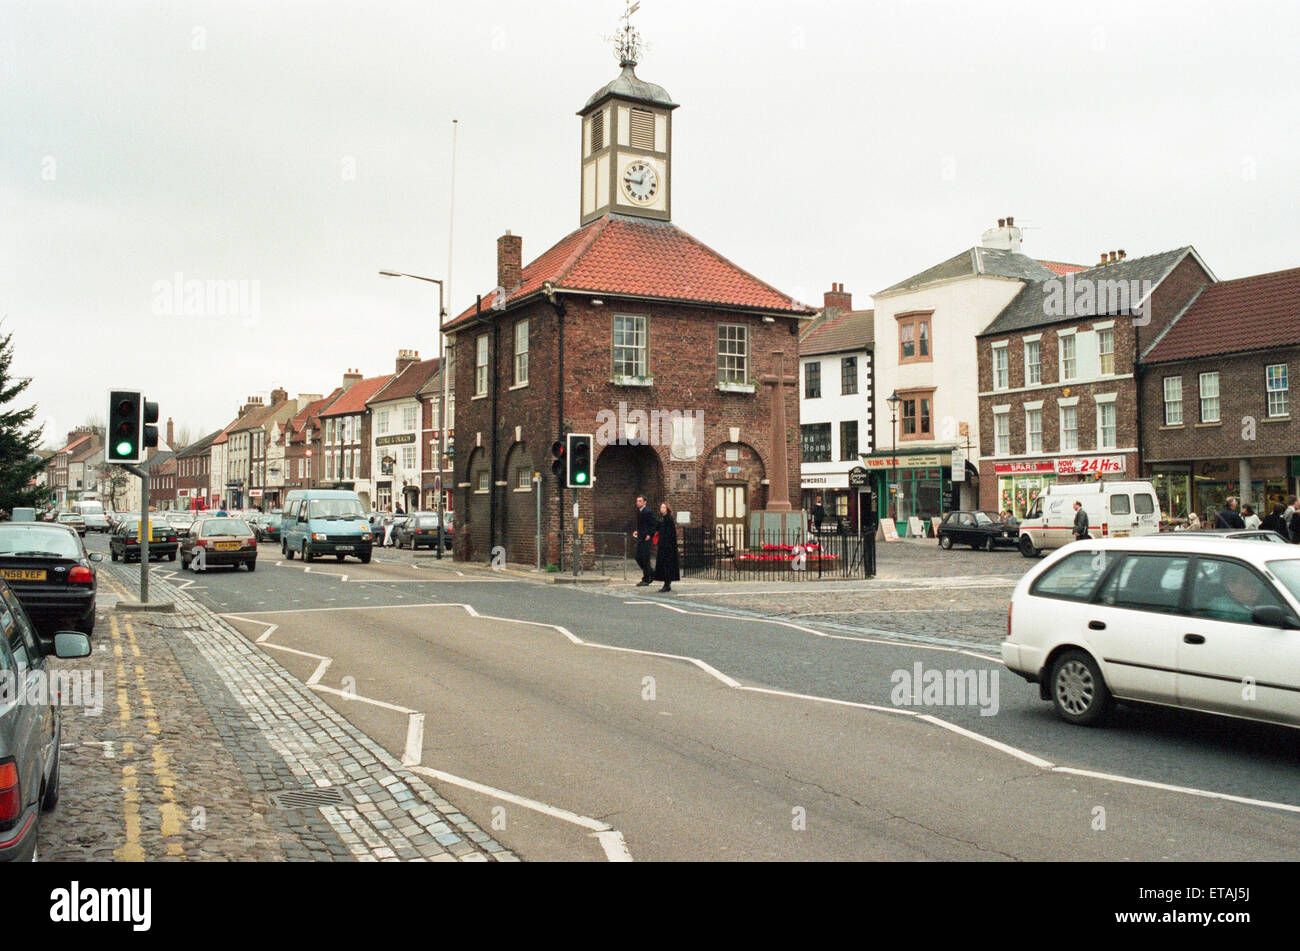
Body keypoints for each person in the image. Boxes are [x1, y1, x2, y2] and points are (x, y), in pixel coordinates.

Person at [652, 503, 680, 593]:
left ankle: (667, 584)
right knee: (664, 566)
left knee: (667, 565)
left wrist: (669, 545)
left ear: (667, 509)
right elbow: (658, 528)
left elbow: (670, 533)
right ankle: (666, 583)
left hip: (668, 547)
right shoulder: (663, 518)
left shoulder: (668, 519)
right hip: (663, 546)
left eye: (664, 507)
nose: (662, 509)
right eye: (661, 507)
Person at [632, 494, 656, 587]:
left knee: (645, 559)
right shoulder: (640, 511)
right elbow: (642, 525)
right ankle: (651, 573)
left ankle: (646, 579)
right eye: (637, 501)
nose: (638, 503)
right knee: (638, 557)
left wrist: (650, 534)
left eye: (640, 501)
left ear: (645, 502)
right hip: (641, 537)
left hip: (646, 539)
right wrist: (637, 531)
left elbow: (654, 524)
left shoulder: (648, 511)